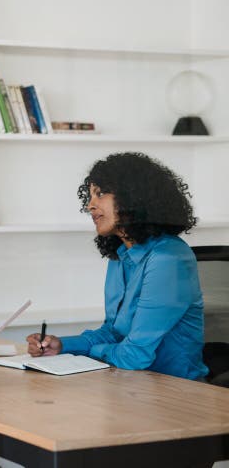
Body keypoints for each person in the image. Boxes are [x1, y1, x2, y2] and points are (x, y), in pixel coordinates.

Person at [26, 152, 209, 380]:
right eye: (90, 196)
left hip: (177, 394)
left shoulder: (168, 258)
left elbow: (134, 356)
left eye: (100, 194)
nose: (90, 206)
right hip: (130, 384)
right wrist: (62, 345)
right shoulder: (121, 255)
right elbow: (113, 332)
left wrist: (90, 352)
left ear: (133, 197)